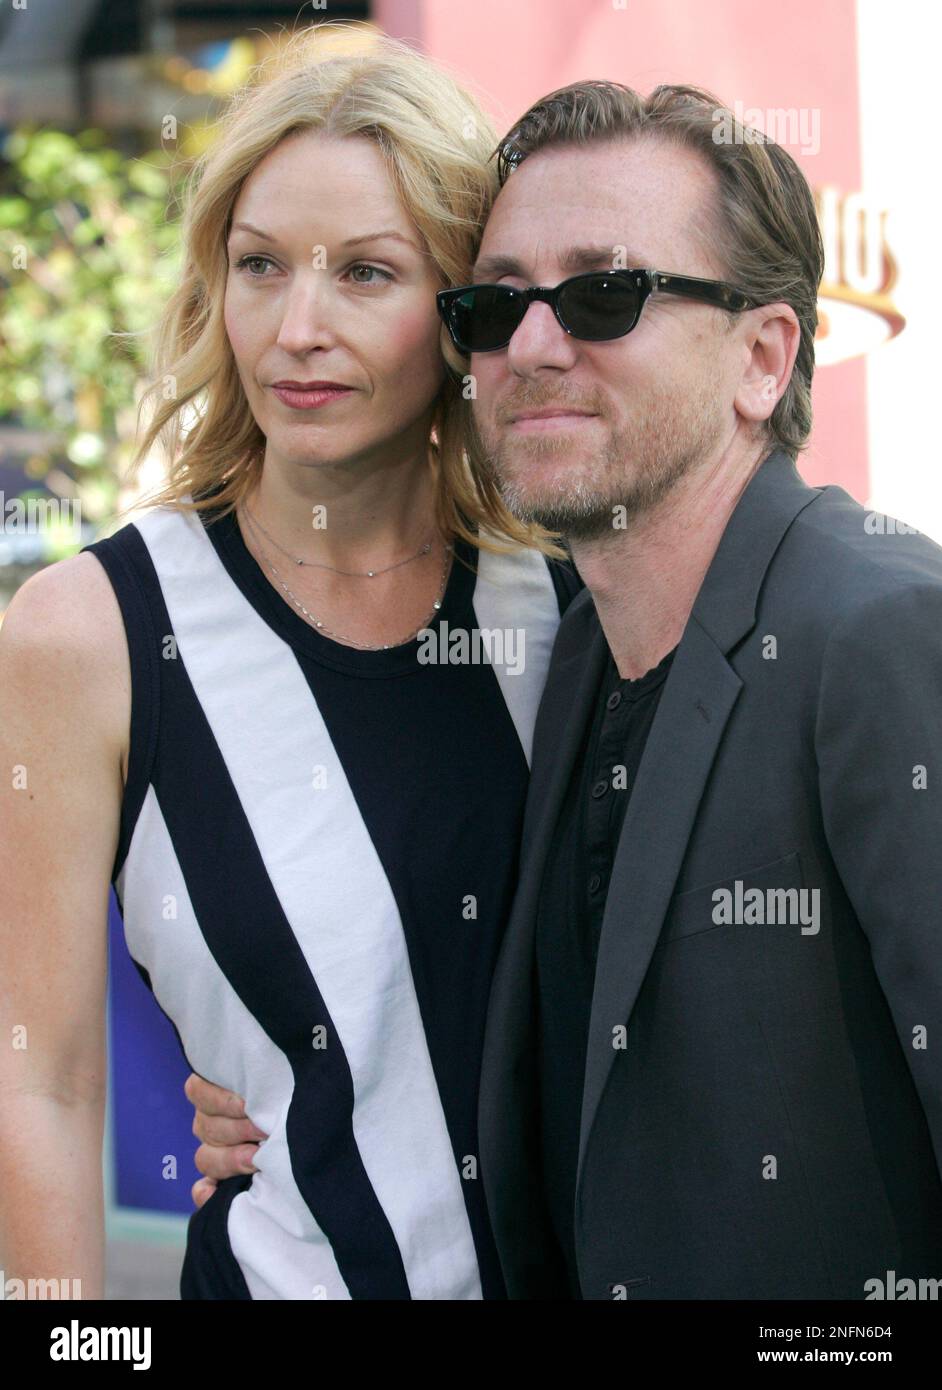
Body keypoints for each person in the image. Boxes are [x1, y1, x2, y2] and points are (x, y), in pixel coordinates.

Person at [194, 80, 942, 1301]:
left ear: (763, 358)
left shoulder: (881, 630)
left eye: (606, 293)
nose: (534, 348)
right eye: (496, 307)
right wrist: (277, 1091)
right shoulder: (567, 642)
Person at [0, 29, 581, 1301]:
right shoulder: (87, 632)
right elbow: (39, 1079)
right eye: (260, 265)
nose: (297, 328)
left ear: (462, 305)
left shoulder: (571, 600)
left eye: (367, 272)